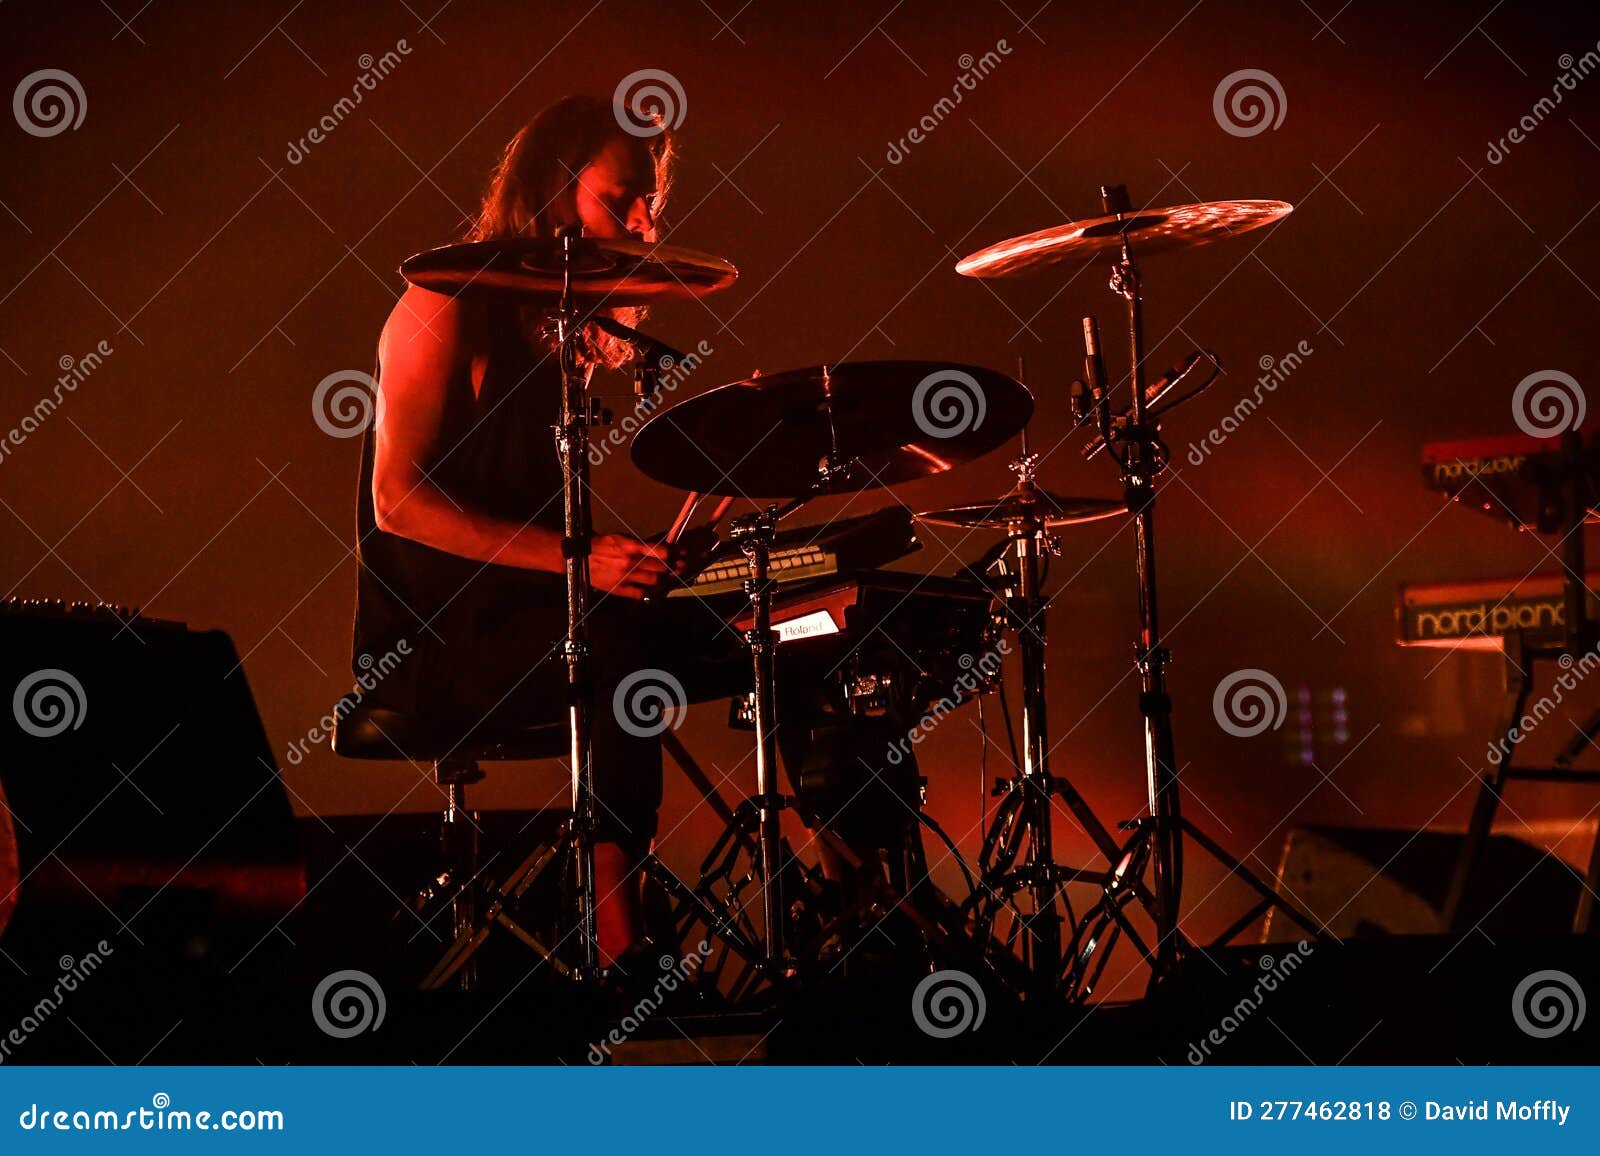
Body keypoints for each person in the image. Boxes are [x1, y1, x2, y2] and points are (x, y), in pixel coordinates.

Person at [352, 95, 687, 968]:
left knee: (778, 622)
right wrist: (585, 564)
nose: (647, 221)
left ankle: (866, 912)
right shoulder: (443, 303)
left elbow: (556, 546)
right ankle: (623, 944)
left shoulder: (561, 343)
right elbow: (399, 501)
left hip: (542, 618)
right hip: (435, 647)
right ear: (552, 190)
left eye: (652, 200)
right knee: (620, 650)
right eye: (623, 197)